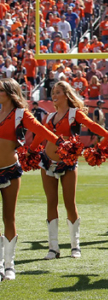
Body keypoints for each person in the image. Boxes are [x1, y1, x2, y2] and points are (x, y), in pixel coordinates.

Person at [30, 81, 108, 260]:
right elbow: (40, 135)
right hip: (47, 162)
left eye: (58, 92)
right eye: (53, 92)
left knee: (69, 204)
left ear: (66, 95)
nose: (54, 95)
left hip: (67, 163)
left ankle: (75, 246)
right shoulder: (49, 117)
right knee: (51, 203)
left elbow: (93, 126)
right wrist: (29, 152)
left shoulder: (75, 114)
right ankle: (53, 248)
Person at [0, 79, 61, 279]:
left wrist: (60, 142)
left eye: (0, 90)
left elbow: (41, 131)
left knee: (9, 217)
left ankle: (9, 264)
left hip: (10, 170)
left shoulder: (20, 114)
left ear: (10, 93)